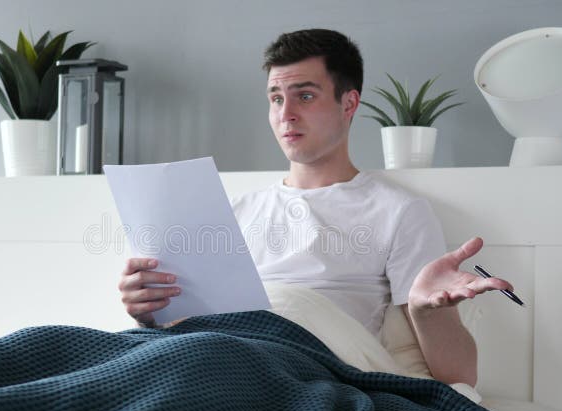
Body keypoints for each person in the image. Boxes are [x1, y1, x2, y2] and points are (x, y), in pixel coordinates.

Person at [117, 29, 513, 387]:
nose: (285, 113)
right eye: (276, 98)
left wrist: (429, 314)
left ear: (349, 103)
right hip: (209, 356)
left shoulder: (398, 211)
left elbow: (459, 378)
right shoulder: (233, 212)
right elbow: (194, 327)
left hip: (297, 371)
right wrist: (148, 314)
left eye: (304, 96)